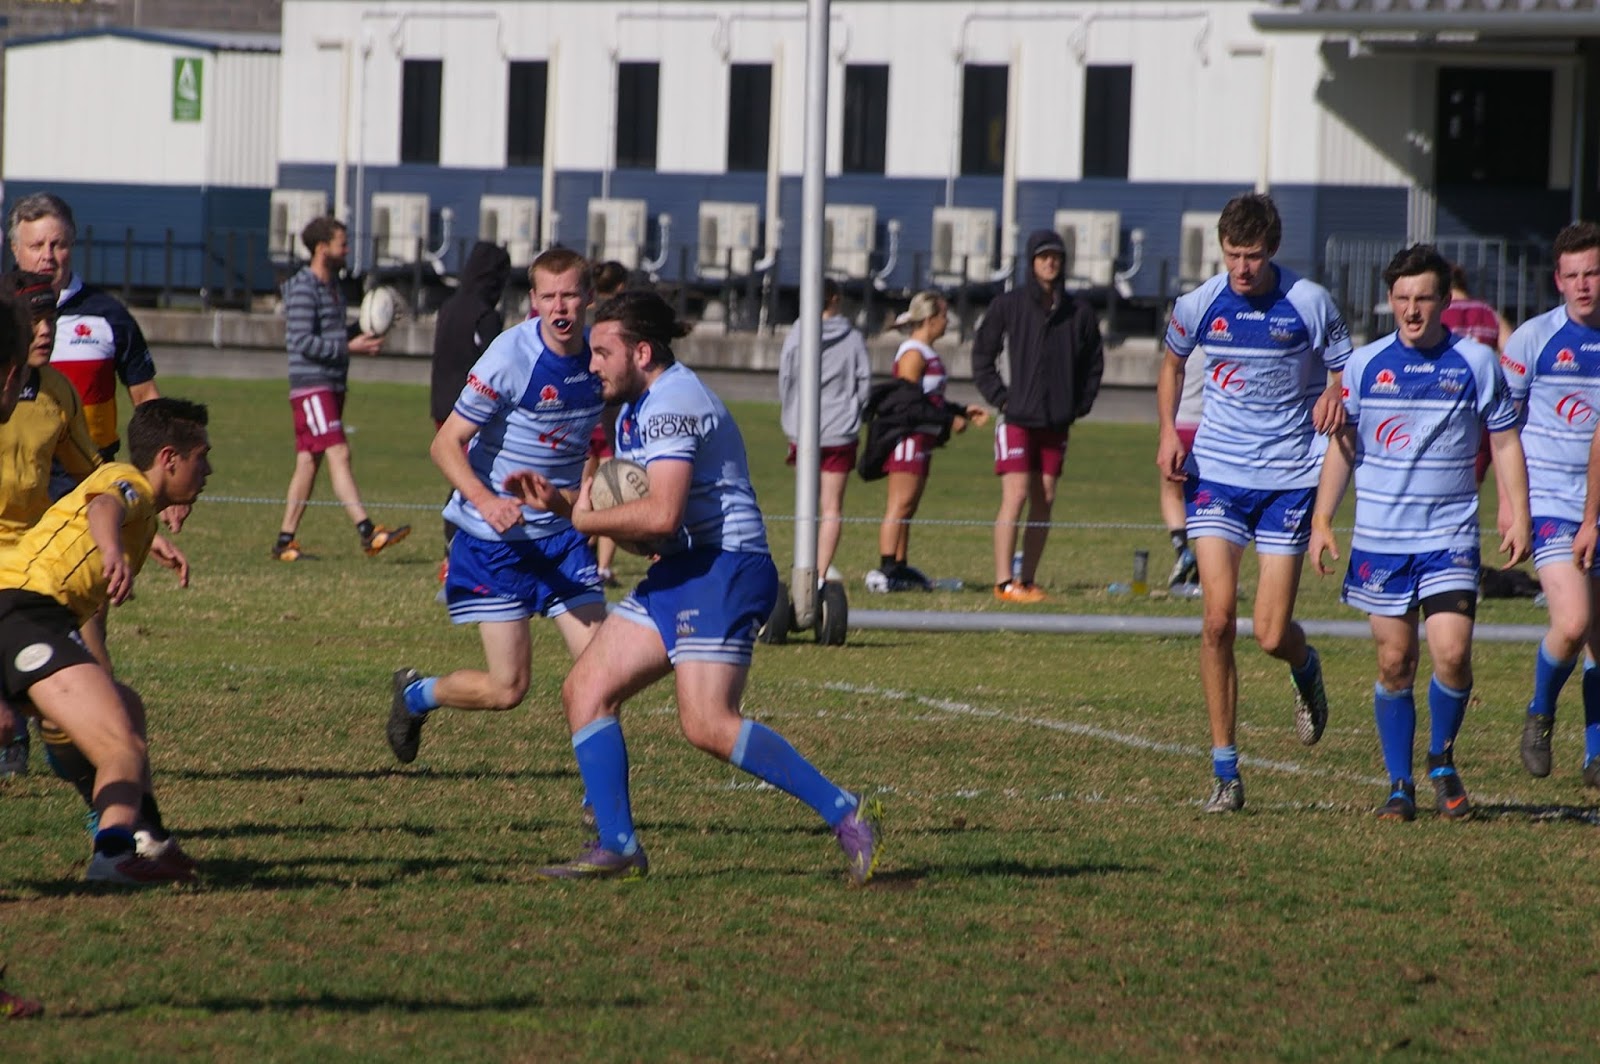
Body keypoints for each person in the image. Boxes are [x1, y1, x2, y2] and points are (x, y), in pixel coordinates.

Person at [506, 291, 883, 883]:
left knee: (706, 722)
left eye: (603, 351)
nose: (591, 363)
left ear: (643, 351)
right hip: (683, 569)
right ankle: (619, 846)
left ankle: (848, 811)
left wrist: (577, 516)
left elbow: (660, 515)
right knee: (586, 690)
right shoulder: (633, 411)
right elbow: (650, 538)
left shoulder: (673, 401)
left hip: (726, 566)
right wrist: (564, 506)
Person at [1310, 243, 1529, 820]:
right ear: (1390, 301)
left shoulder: (1477, 362)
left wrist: (1517, 510)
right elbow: (1343, 446)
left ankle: (1441, 758)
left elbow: (1505, 440)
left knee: (1452, 655)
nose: (1412, 310)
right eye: (1402, 298)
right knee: (1394, 663)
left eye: (1423, 298)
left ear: (1444, 301)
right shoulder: (1363, 365)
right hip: (1381, 540)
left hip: (1449, 536)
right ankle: (1400, 784)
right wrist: (1322, 518)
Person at [1156, 192, 1352, 813]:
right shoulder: (1200, 304)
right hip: (1217, 473)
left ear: (1272, 249)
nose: (1242, 267)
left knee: (1268, 633)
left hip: (1290, 480)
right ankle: (1225, 772)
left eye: (1254, 256)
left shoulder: (1308, 301)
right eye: (1233, 255)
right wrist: (1167, 430)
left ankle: (1306, 665)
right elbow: (1172, 363)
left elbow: (1344, 366)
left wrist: (1333, 391)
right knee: (1216, 620)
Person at [386, 248, 608, 766]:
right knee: (508, 689)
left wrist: (591, 504)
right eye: (549, 296)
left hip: (561, 537)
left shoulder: (599, 357)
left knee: (603, 671)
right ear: (533, 301)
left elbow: (593, 441)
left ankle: (602, 811)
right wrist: (487, 502)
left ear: (589, 298)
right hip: (496, 544)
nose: (561, 307)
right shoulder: (511, 356)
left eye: (571, 294)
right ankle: (416, 695)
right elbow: (445, 444)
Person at [0, 396, 211, 884]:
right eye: (202, 457)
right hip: (24, 607)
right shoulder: (127, 481)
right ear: (169, 459)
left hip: (26, 610)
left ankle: (148, 838)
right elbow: (106, 506)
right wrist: (113, 549)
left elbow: (102, 511)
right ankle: (113, 856)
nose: (209, 470)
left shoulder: (143, 511)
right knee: (119, 743)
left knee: (125, 708)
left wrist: (139, 539)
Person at [1502, 222, 1600, 786]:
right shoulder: (1534, 340)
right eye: (1573, 275)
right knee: (1572, 621)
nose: (1583, 285)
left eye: (1592, 272)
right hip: (1551, 502)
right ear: (1557, 281)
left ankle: (1595, 755)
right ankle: (1540, 710)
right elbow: (1504, 428)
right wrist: (1512, 506)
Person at [0, 270, 101, 778]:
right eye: (34, 319)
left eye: (51, 318)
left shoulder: (57, 391)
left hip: (30, 568)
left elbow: (93, 477)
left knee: (72, 709)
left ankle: (100, 809)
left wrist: (136, 519)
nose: (45, 330)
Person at [973, 229, 1104, 603]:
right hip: (1016, 420)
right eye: (1043, 256)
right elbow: (982, 357)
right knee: (1014, 496)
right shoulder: (1009, 305)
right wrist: (1002, 399)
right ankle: (1003, 583)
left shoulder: (1078, 311)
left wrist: (1081, 403)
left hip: (1056, 421)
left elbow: (1094, 362)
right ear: (1031, 262)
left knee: (1044, 497)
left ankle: (1027, 579)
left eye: (1056, 257)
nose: (1050, 262)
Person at [273, 217, 410, 562]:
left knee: (309, 462)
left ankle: (284, 541)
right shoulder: (304, 288)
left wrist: (365, 327)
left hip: (330, 384)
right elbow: (302, 341)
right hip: (312, 386)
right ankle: (368, 532)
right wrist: (352, 347)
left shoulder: (331, 285)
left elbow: (331, 332)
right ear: (322, 248)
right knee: (339, 452)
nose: (347, 250)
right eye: (341, 244)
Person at [6, 193, 159, 464]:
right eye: (36, 245)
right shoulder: (2, 310)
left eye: (58, 245)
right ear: (15, 249)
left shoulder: (109, 315)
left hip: (90, 474)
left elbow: (145, 395)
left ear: (72, 245)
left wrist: (159, 470)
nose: (47, 257)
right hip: (14, 472)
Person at [863, 289, 987, 591]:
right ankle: (887, 568)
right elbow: (907, 402)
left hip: (924, 437)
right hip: (907, 435)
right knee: (900, 503)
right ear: (930, 319)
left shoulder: (927, 352)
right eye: (944, 316)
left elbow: (929, 400)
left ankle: (901, 566)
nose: (947, 322)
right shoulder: (912, 354)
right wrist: (948, 419)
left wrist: (960, 411)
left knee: (910, 506)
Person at [779, 278, 872, 587]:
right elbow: (864, 384)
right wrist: (851, 412)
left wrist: (791, 417)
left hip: (804, 427)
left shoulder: (798, 331)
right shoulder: (853, 337)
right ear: (834, 298)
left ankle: (805, 566)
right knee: (832, 507)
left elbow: (786, 378)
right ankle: (819, 573)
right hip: (840, 430)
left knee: (807, 502)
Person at [430, 240, 512, 580]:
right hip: (469, 411)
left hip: (440, 404)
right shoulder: (484, 314)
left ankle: (458, 552)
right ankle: (455, 554)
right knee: (471, 480)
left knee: (462, 478)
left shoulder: (448, 306)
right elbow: (496, 365)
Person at [1439, 262, 1514, 485]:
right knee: (1472, 487)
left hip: (1447, 410)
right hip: (1483, 410)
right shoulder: (1487, 312)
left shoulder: (1438, 314)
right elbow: (1512, 354)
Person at [584, 260, 630, 587]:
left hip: (586, 418)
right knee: (612, 490)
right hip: (610, 417)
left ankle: (578, 549)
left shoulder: (587, 325)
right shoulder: (617, 327)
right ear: (621, 288)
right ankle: (602, 567)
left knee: (584, 488)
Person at [1160, 356, 1205, 588]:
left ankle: (1182, 551)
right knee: (1207, 499)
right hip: (1210, 426)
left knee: (1172, 493)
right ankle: (1205, 561)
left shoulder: (1181, 342)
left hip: (1181, 425)